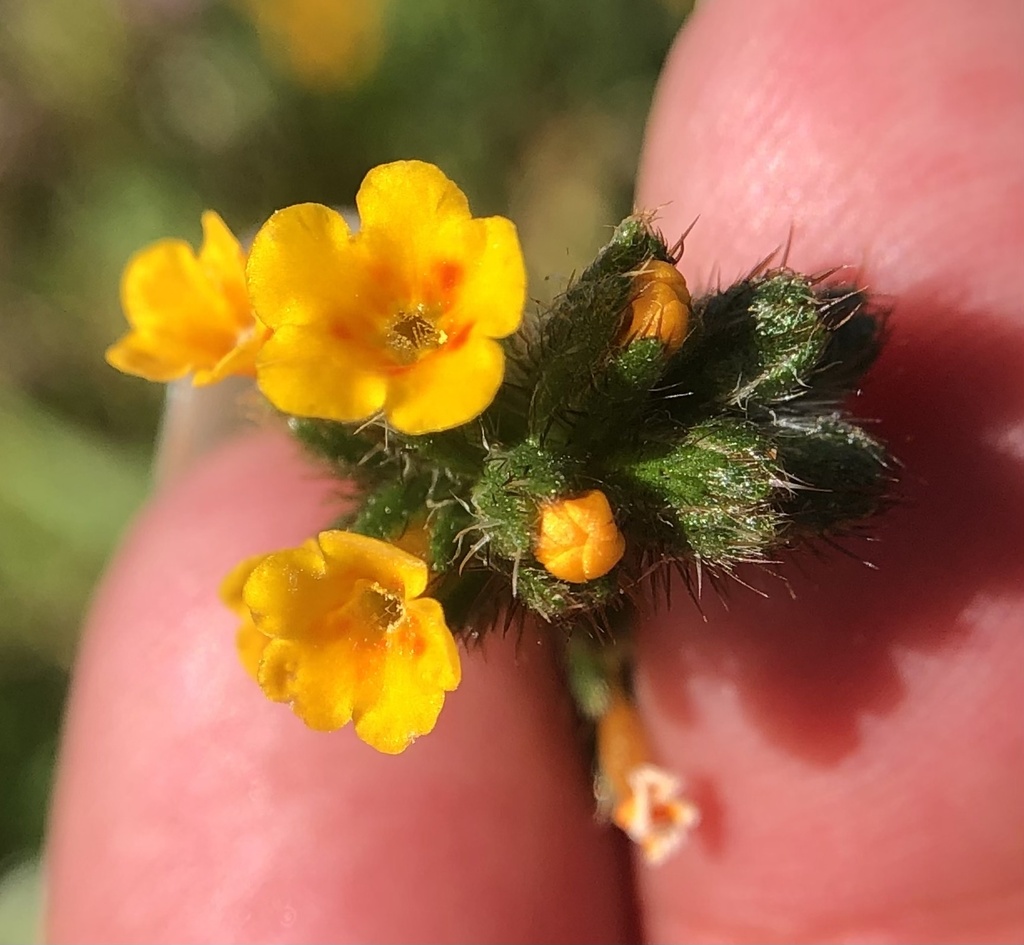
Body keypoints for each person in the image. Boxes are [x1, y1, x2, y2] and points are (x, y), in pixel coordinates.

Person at [45, 0, 1024, 940]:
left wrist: (618, 364)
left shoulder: (451, 394)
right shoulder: (416, 529)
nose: (414, 331)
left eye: (418, 327)